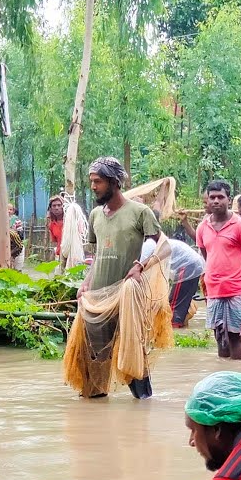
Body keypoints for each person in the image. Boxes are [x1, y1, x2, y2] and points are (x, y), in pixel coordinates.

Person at [72, 156, 165, 399]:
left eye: (98, 181)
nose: (93, 186)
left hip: (128, 293)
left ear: (114, 182)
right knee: (95, 352)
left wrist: (139, 265)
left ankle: (144, 403)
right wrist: (86, 284)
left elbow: (153, 241)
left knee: (132, 348)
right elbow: (98, 253)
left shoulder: (140, 212)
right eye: (92, 181)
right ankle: (96, 400)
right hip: (98, 296)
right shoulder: (95, 215)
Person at [195, 180, 241, 360]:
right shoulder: (203, 227)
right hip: (214, 290)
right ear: (207, 200)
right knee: (220, 338)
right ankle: (223, 378)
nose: (216, 201)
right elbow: (206, 254)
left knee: (236, 337)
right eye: (212, 197)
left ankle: (236, 376)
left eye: (220, 197)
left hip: (237, 290)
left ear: (229, 199)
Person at [141, 208, 206, 328]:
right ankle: (180, 323)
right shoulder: (153, 241)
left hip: (188, 266)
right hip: (192, 265)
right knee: (178, 300)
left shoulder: (149, 243)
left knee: (174, 305)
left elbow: (141, 267)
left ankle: (174, 327)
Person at [48, 195, 65, 259]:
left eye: (59, 205)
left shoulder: (71, 221)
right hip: (60, 255)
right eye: (54, 206)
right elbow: (55, 243)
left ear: (63, 206)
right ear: (51, 208)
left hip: (74, 254)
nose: (56, 208)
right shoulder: (52, 225)